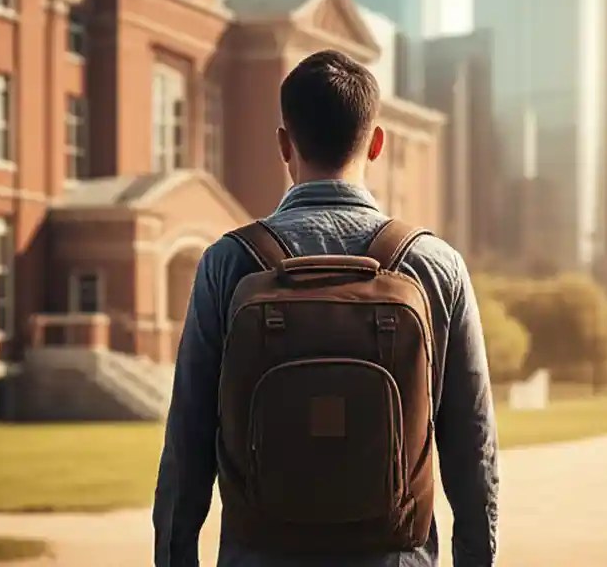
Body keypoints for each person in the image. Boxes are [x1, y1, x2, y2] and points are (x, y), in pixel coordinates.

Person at [153, 49, 499, 567]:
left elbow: (188, 442)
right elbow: (473, 447)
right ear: (377, 143)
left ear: (283, 143)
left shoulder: (227, 263)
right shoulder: (435, 265)